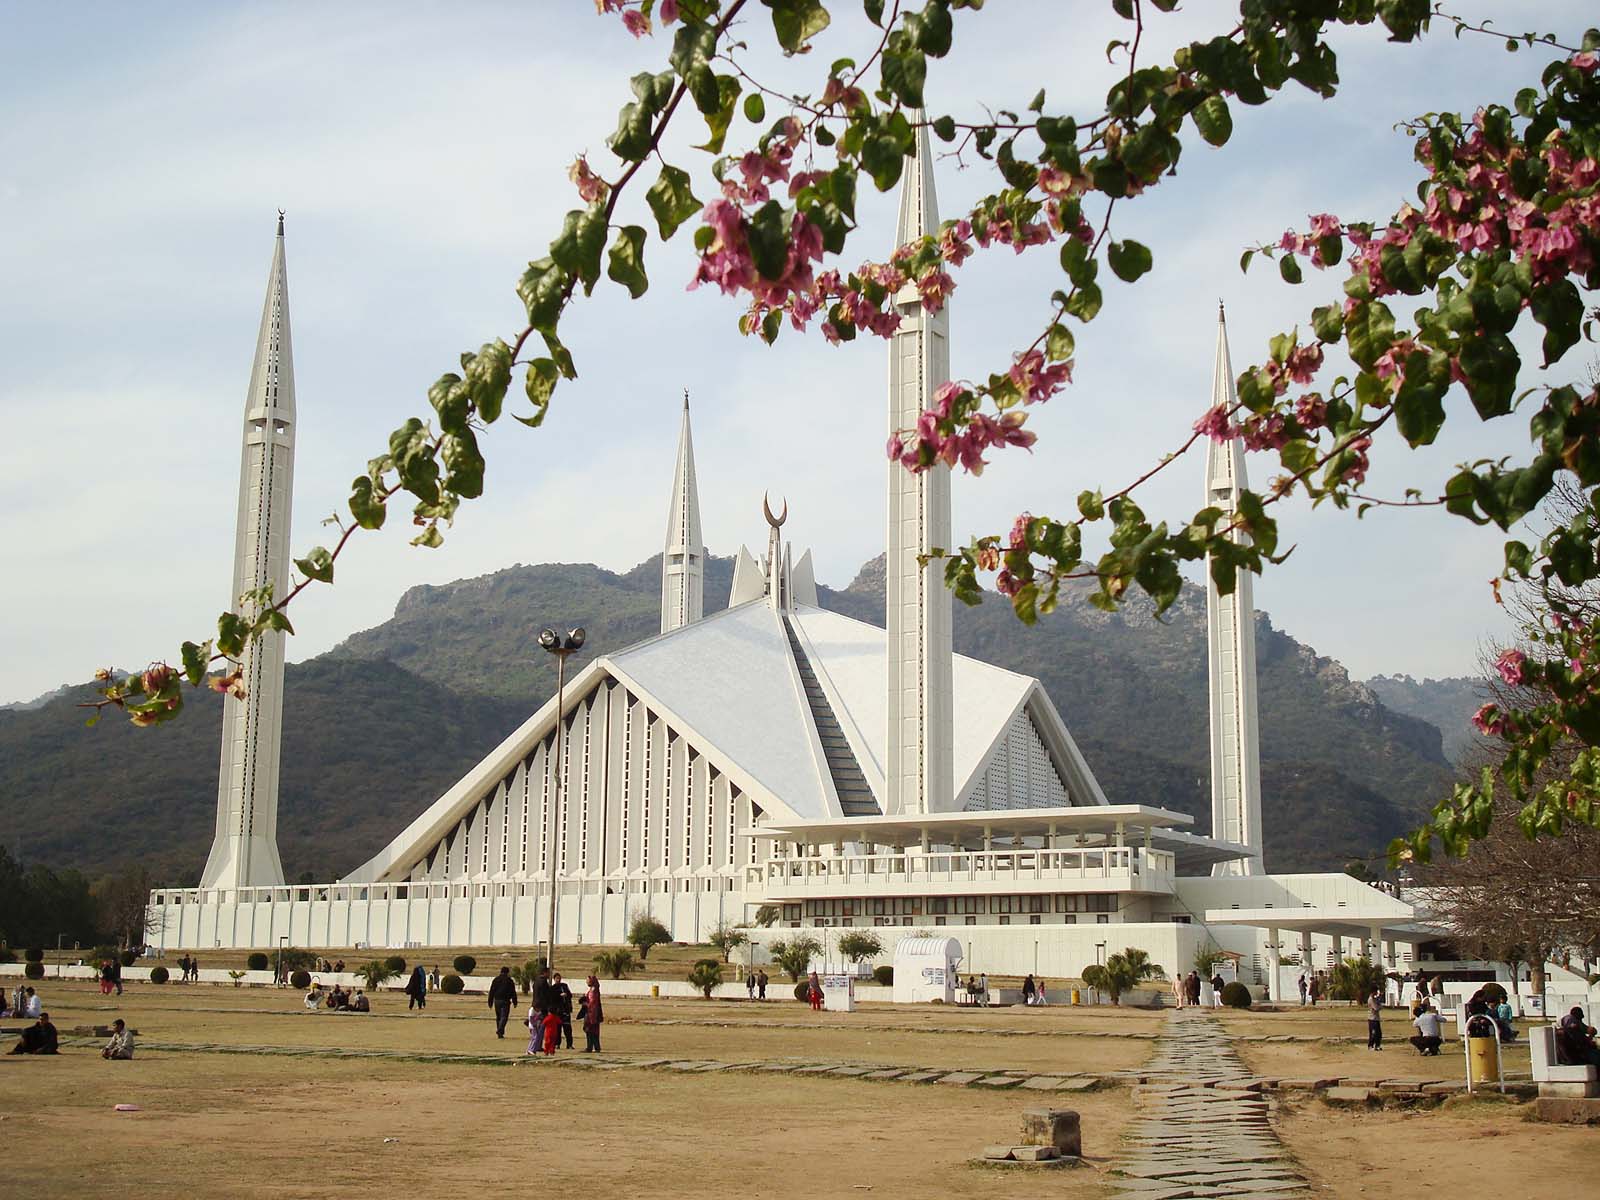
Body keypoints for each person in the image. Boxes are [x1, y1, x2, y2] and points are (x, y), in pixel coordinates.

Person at [488, 966, 518, 1039]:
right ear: (507, 972)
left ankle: (500, 1033)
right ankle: (500, 1030)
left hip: (497, 1001)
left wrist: (490, 1002)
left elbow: (491, 991)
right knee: (504, 1017)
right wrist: (515, 1001)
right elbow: (513, 992)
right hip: (505, 1001)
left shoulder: (496, 979)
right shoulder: (509, 981)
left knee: (498, 1017)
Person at [581, 974, 604, 1052]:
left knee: (590, 1030)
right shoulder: (593, 989)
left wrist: (585, 1004)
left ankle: (590, 1047)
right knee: (594, 1031)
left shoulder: (593, 991)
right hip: (593, 1013)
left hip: (592, 1014)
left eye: (588, 980)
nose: (587, 982)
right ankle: (596, 1047)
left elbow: (592, 1003)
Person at [552, 972, 575, 1049]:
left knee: (567, 1028)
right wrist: (559, 996)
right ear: (554, 979)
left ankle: (569, 1044)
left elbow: (570, 995)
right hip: (558, 1012)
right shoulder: (553, 988)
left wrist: (566, 995)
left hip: (566, 1010)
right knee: (558, 1029)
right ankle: (557, 1044)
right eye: (557, 978)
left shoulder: (564, 986)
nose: (558, 980)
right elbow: (552, 998)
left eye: (559, 978)